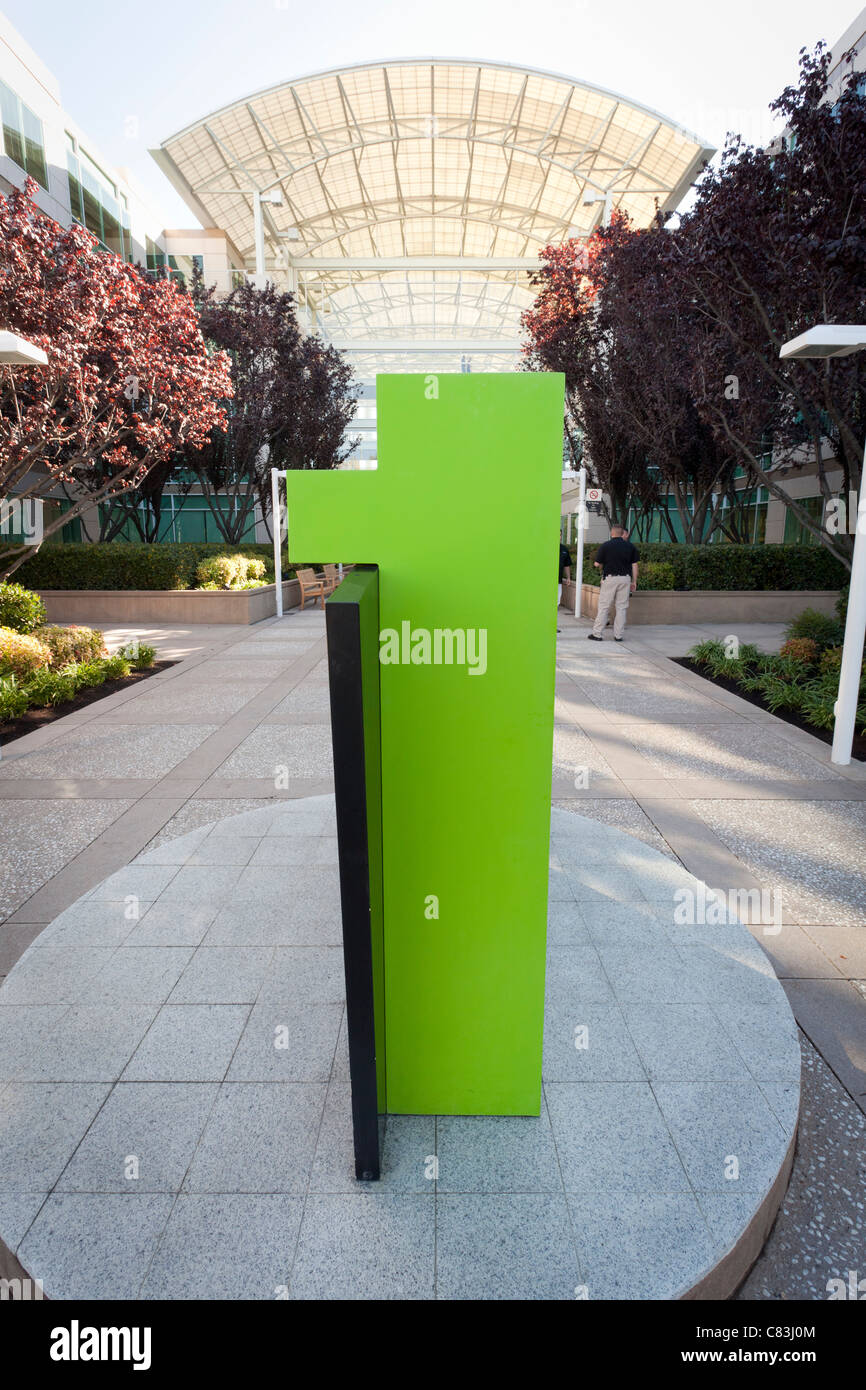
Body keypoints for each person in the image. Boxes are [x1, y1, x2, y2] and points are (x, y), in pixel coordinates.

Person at [586, 524, 639, 642]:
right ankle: (618, 635)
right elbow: (635, 565)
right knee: (622, 607)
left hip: (610, 578)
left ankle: (597, 634)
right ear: (622, 533)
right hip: (625, 579)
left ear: (612, 533)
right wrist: (634, 581)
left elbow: (596, 564)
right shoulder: (630, 546)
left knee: (604, 606)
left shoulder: (606, 546)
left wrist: (602, 566)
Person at [558, 541, 572, 632]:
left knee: (556, 603)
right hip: (544, 582)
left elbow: (566, 565)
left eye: (559, 535)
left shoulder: (564, 549)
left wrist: (568, 577)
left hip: (557, 581)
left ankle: (553, 625)